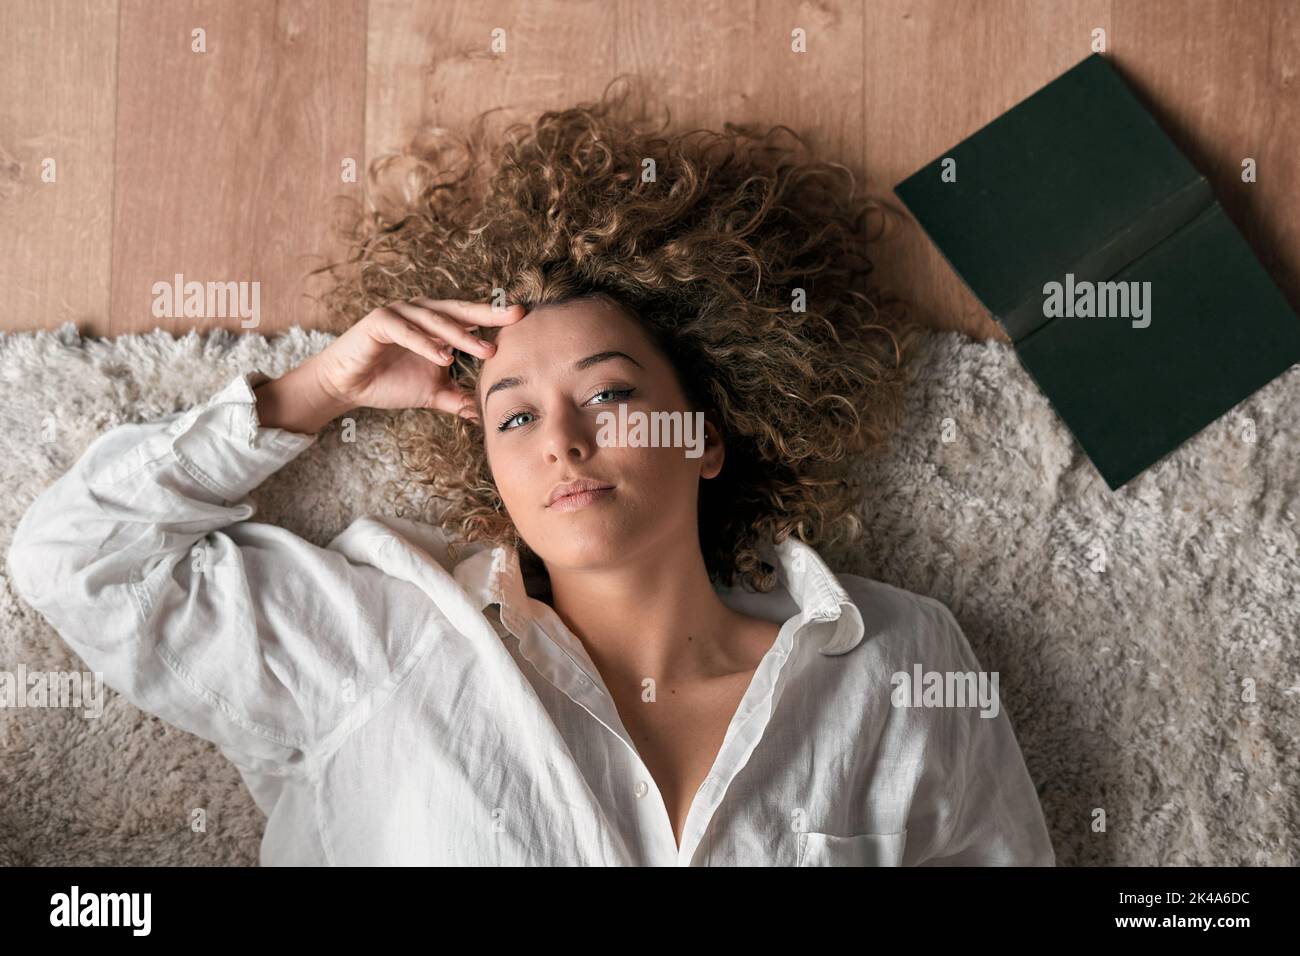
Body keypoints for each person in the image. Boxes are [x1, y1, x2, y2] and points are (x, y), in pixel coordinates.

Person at [7, 80, 1055, 866]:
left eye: (609, 394)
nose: (562, 440)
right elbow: (79, 558)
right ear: (489, 472)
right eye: (513, 415)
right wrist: (316, 390)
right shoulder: (381, 645)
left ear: (705, 434)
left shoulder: (894, 659)